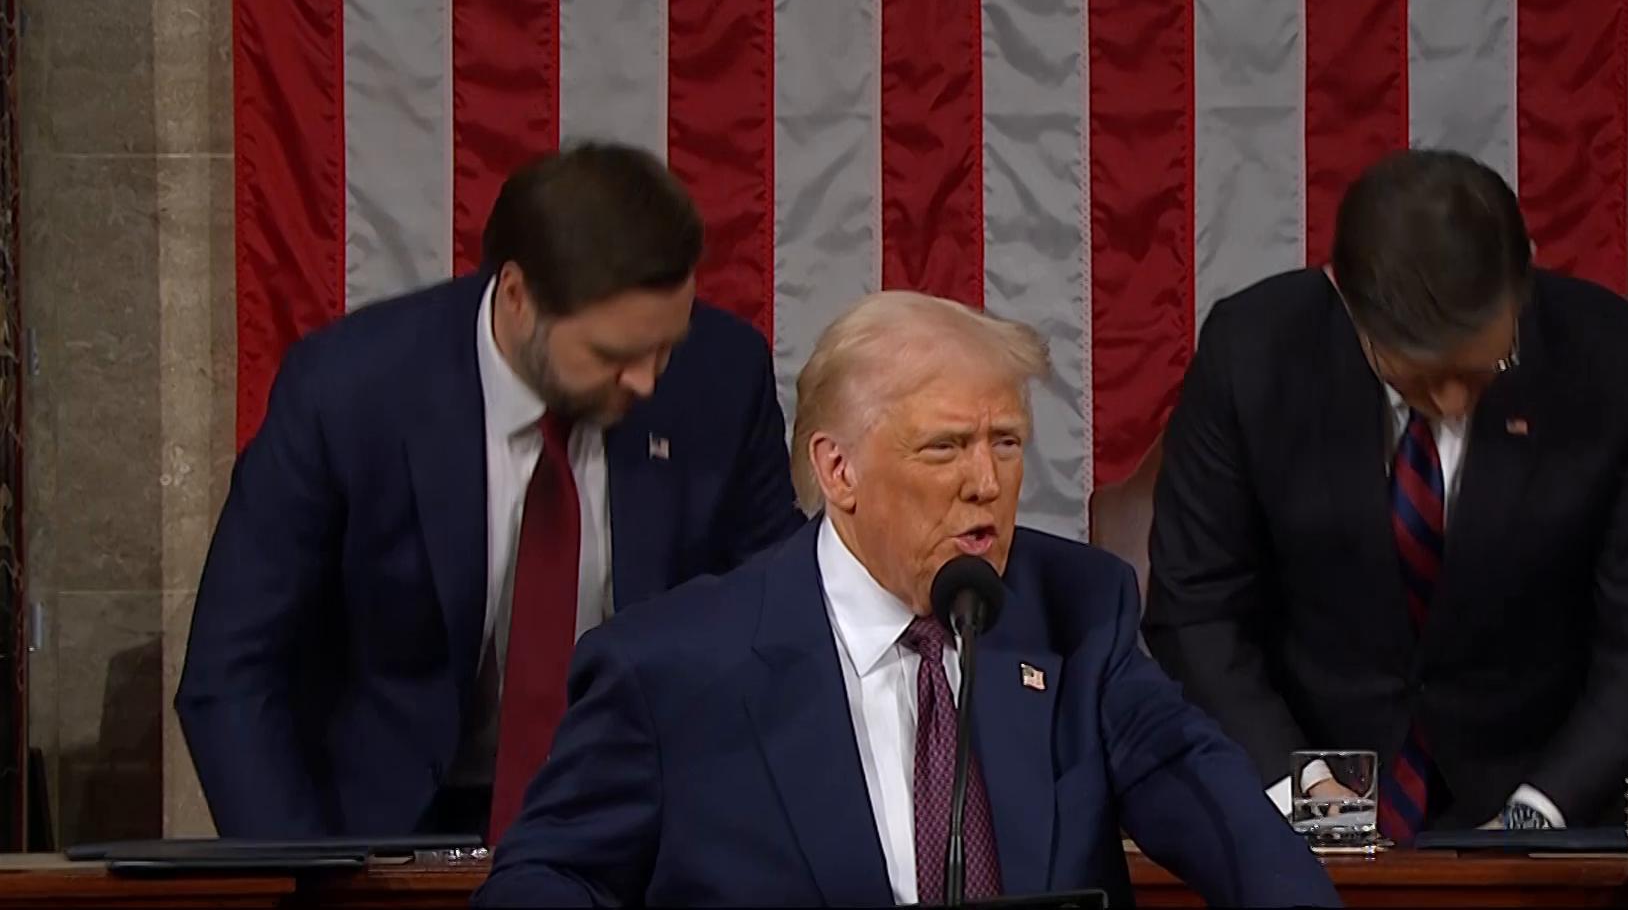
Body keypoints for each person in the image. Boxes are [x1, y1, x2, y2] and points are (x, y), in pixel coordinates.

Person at [473, 292, 1340, 908]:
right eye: (944, 448)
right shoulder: (671, 667)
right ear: (837, 470)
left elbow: (1211, 800)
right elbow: (548, 878)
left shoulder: (1075, 611)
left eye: (1006, 443)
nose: (986, 483)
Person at [177, 142, 805, 841]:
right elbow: (231, 672)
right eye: (613, 355)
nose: (647, 382)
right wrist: (300, 879)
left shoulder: (722, 381)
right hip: (391, 838)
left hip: (645, 829)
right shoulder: (348, 393)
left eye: (667, 346)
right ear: (516, 297)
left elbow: (779, 633)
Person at [1144, 148, 1628, 839]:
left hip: (1553, 805)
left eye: (1479, 369)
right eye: (1418, 373)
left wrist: (1540, 811)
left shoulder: (1621, 364)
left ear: (1524, 273)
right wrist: (1304, 790)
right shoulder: (1253, 354)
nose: (1449, 401)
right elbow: (1198, 609)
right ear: (1346, 300)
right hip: (1302, 798)